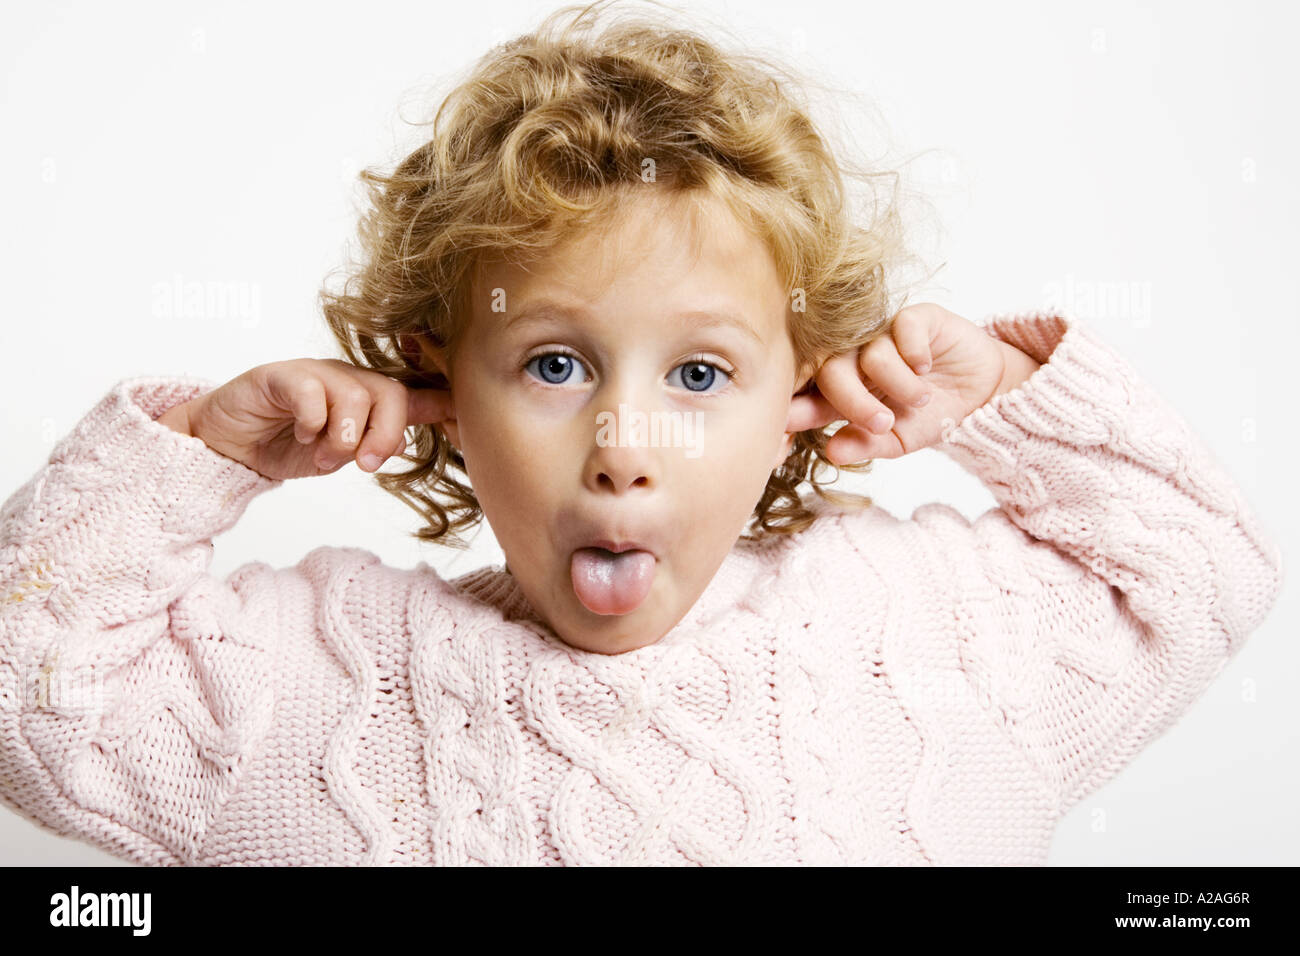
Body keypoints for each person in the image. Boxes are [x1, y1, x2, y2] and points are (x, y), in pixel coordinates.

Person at [0, 0, 1282, 865]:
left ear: (805, 386)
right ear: (437, 375)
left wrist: (1004, 393)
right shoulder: (309, 685)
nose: (623, 439)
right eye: (554, 362)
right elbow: (29, 698)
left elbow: (1198, 571)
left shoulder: (932, 634)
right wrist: (201, 449)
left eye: (703, 371)